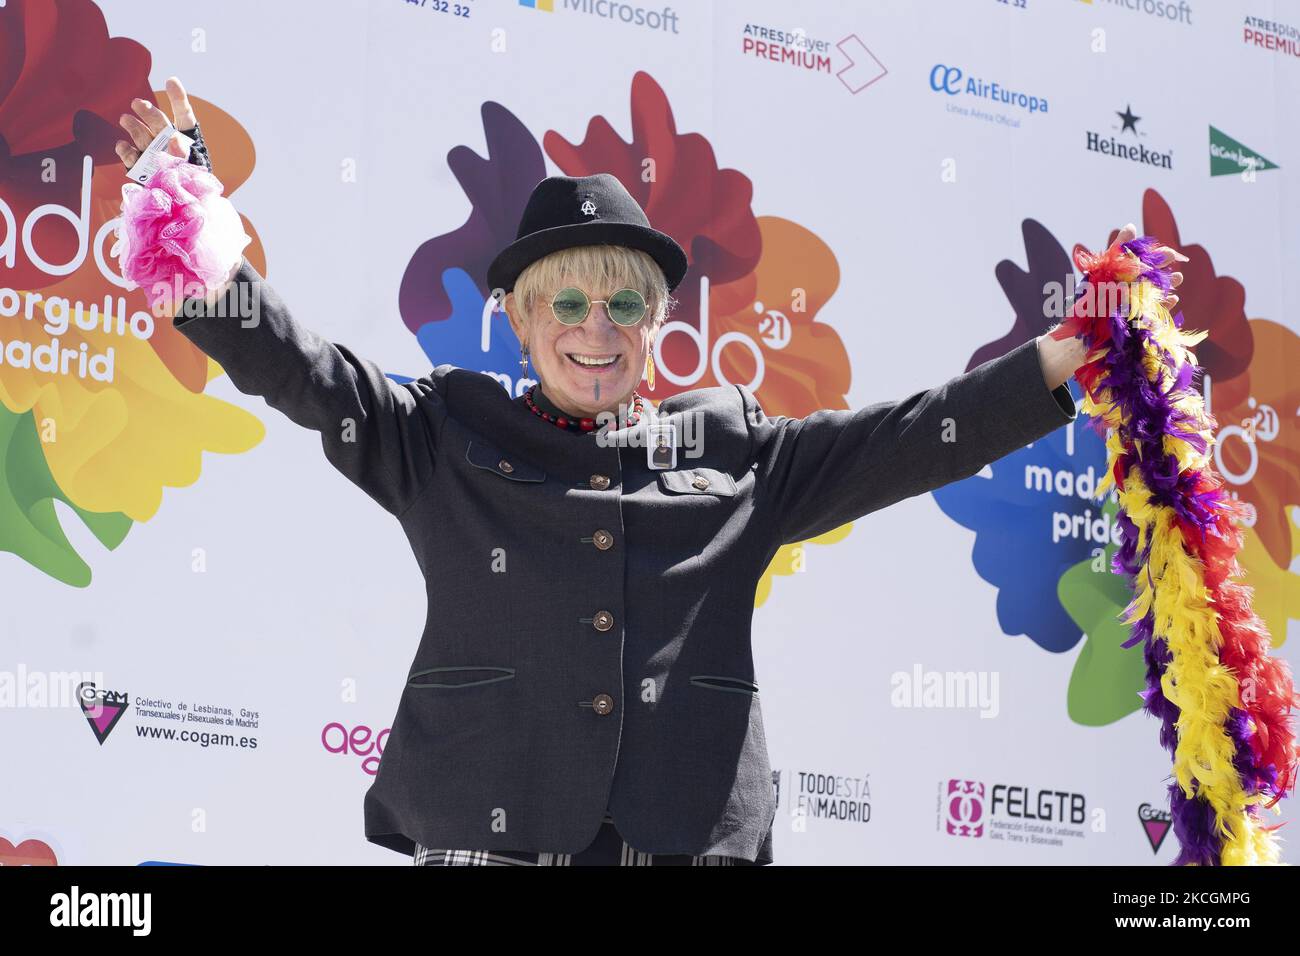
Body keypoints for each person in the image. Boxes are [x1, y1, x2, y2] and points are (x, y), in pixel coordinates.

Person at [115, 78, 1186, 866]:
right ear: (521, 321)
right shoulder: (441, 430)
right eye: (567, 303)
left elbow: (914, 435)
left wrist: (1069, 351)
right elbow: (302, 369)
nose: (595, 328)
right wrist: (185, 209)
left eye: (622, 302)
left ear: (657, 322)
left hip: (684, 842)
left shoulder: (736, 450)